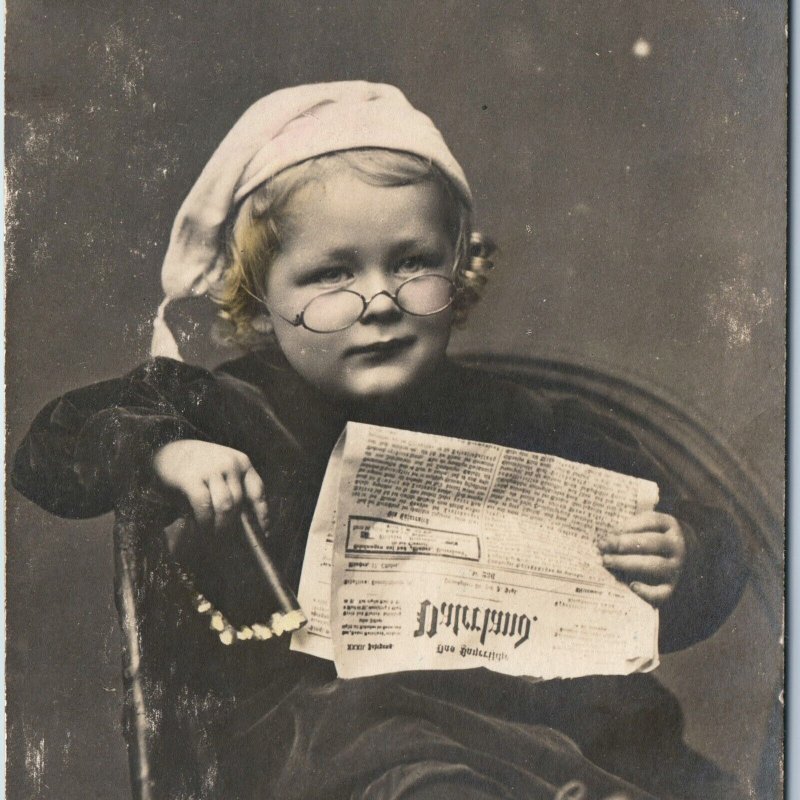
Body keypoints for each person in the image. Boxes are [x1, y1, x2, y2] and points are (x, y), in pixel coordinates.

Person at [12, 82, 748, 799]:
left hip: (539, 721)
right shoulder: (230, 408)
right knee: (395, 750)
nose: (380, 303)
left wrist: (680, 553)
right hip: (340, 745)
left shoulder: (529, 420)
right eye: (332, 275)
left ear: (459, 274)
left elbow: (703, 542)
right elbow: (53, 447)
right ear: (262, 301)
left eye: (412, 263)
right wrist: (168, 451)